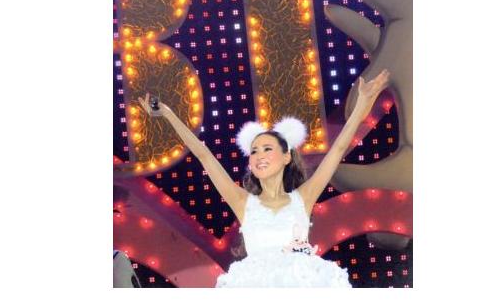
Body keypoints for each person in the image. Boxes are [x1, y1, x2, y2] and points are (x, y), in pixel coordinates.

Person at [139, 68, 390, 287]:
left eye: (267, 149)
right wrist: (169, 114)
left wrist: (361, 105)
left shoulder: (302, 198)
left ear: (286, 156)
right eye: (254, 151)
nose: (259, 155)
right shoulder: (243, 202)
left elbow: (338, 149)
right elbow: (204, 155)